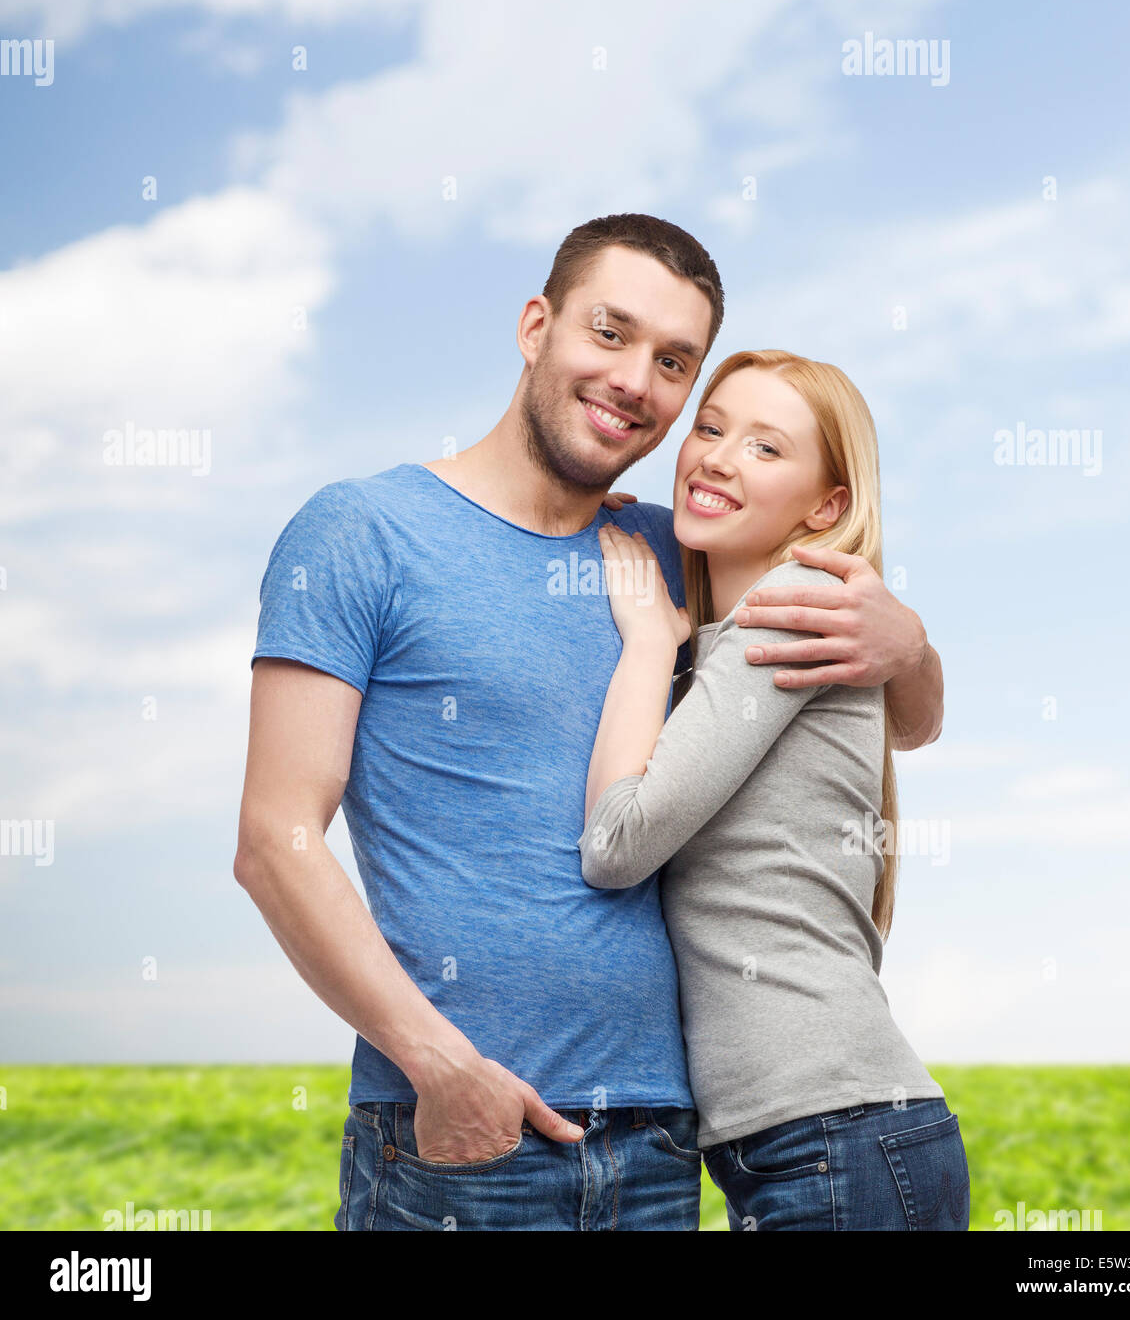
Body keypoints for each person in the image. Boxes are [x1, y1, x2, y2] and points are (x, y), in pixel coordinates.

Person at [234, 214, 945, 1231]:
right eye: (608, 333)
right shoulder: (362, 531)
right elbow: (275, 839)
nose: (634, 381)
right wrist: (441, 1066)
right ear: (536, 326)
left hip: (662, 1142)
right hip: (463, 1133)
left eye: (671, 362)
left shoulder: (685, 552)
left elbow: (899, 722)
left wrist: (906, 641)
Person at [579, 349, 969, 1230]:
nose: (715, 456)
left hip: (832, 1136)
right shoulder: (740, 623)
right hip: (817, 1140)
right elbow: (910, 722)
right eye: (709, 429)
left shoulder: (789, 610)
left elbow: (615, 848)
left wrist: (647, 642)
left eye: (765, 448)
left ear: (826, 507)